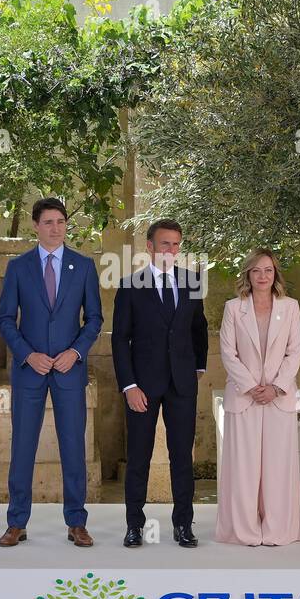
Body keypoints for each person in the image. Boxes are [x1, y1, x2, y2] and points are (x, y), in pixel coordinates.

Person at [0, 198, 103, 547]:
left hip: (69, 371)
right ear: (35, 226)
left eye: (60, 221)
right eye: (48, 222)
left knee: (74, 447)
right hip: (30, 372)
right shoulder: (18, 267)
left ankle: (76, 523)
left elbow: (95, 319)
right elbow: (6, 319)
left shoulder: (84, 266)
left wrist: (75, 352)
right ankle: (16, 522)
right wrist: (28, 355)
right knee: (23, 447)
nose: (56, 228)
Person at [112, 219, 209, 548]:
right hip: (142, 386)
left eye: (176, 244)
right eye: (165, 243)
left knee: (182, 456)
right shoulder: (130, 286)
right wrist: (129, 386)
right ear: (150, 247)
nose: (171, 250)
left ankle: (183, 525)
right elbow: (120, 340)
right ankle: (134, 526)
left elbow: (199, 329)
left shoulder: (192, 282)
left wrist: (197, 368)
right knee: (138, 456)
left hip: (182, 385)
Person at [216, 249, 300, 547]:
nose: (263, 276)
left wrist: (276, 386)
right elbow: (228, 353)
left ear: (275, 274)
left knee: (278, 468)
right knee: (243, 468)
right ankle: (243, 531)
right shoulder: (233, 308)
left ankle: (278, 529)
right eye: (256, 271)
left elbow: (295, 352)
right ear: (248, 275)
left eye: (268, 270)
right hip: (244, 398)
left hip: (279, 398)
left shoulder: (290, 307)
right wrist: (252, 386)